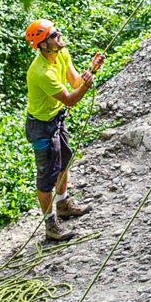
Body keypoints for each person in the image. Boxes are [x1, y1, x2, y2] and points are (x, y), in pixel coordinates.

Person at [24, 18, 104, 244]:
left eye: (57, 32)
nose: (59, 36)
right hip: (41, 127)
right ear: (42, 45)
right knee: (46, 176)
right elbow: (71, 97)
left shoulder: (61, 53)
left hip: (56, 118)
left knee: (64, 161)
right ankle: (50, 224)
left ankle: (63, 204)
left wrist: (91, 71)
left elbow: (75, 81)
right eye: (53, 35)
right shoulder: (41, 72)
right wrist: (87, 85)